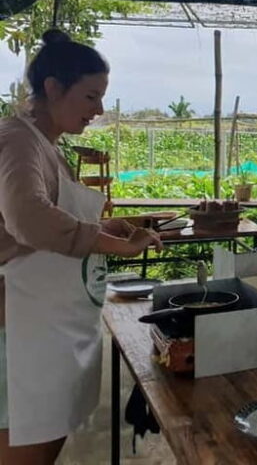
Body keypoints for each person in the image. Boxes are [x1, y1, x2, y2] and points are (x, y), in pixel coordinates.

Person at [0, 29, 162, 464]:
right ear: (53, 88)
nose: (99, 110)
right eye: (91, 97)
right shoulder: (16, 140)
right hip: (19, 330)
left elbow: (47, 225)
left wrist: (105, 227)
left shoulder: (45, 146)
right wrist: (115, 246)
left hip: (45, 324)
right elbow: (29, 219)